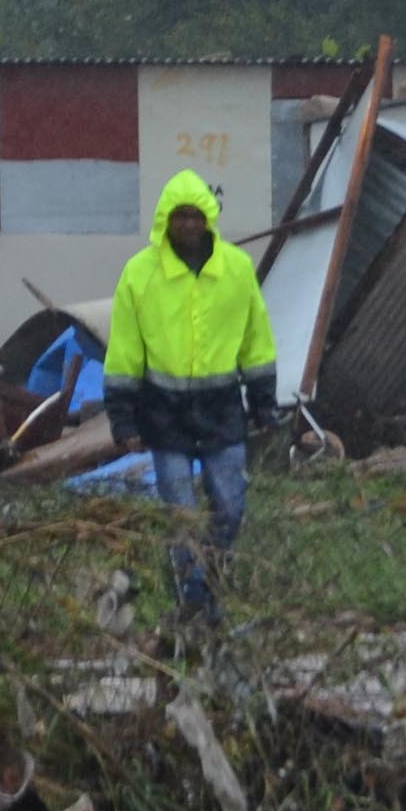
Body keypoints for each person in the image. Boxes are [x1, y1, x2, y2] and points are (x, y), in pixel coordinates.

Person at [108, 169, 277, 620]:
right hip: (164, 417)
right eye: (179, 216)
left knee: (229, 508)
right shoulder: (140, 275)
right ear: (166, 219)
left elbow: (256, 341)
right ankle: (193, 599)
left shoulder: (237, 270)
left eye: (195, 216)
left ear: (209, 219)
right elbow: (125, 353)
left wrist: (263, 403)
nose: (187, 224)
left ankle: (211, 585)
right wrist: (123, 421)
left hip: (222, 412)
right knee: (181, 515)